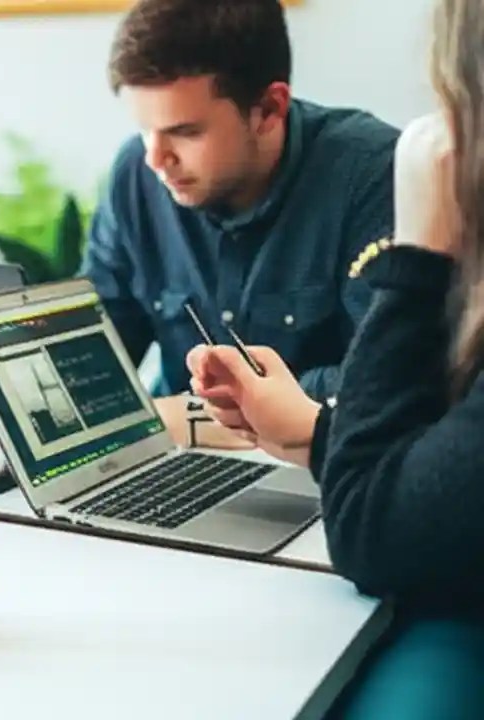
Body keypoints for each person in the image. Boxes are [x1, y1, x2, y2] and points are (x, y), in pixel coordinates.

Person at [188, 3, 484, 715]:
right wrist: (312, 431)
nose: (155, 158)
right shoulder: (140, 184)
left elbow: (374, 531)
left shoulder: (362, 167)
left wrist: (417, 256)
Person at [82, 0, 400, 450]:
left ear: (269, 109)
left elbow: (392, 382)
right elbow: (94, 357)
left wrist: (197, 418)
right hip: (179, 463)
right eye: (144, 129)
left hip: (328, 470)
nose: (157, 159)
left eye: (186, 132)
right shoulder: (136, 174)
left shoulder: (373, 175)